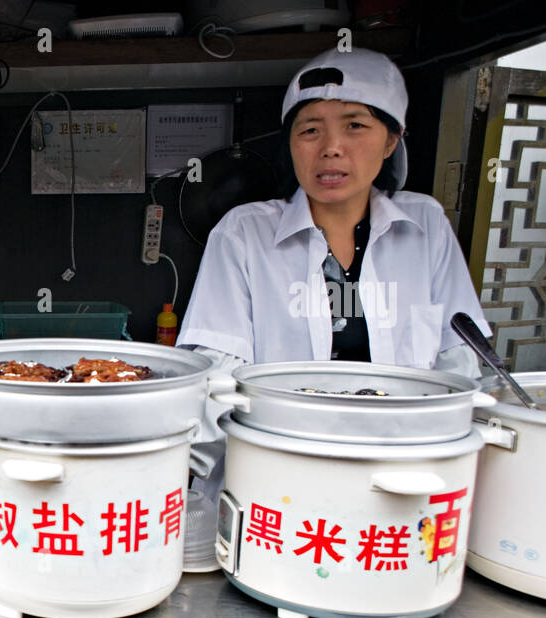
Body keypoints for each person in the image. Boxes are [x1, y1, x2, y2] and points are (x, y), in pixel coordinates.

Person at [178, 46, 491, 377]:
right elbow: (219, 364)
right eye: (310, 130)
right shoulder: (244, 233)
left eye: (354, 125)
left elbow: (458, 353)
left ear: (390, 141)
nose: (331, 148)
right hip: (284, 426)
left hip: (404, 427)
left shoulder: (426, 226)